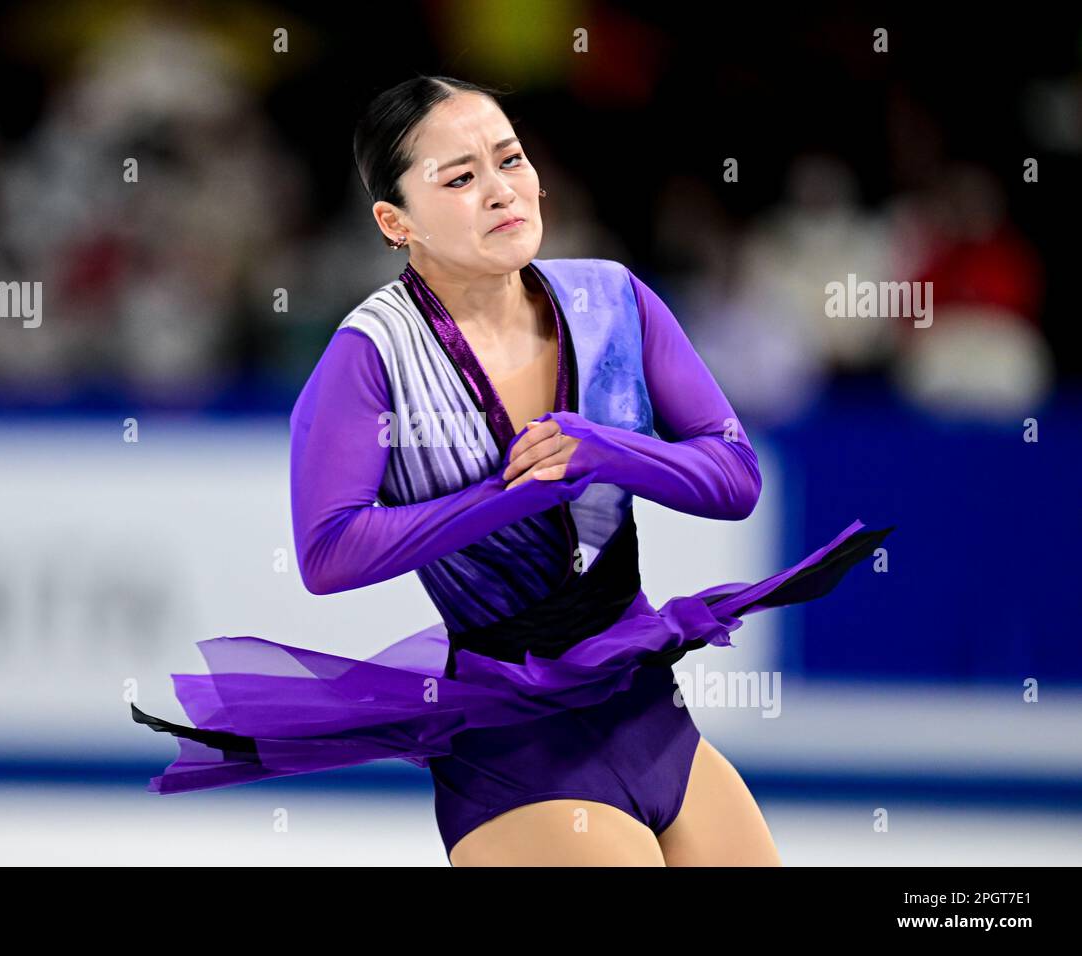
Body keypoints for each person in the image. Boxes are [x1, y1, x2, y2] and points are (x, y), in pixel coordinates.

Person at [131, 75, 892, 866]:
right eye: (459, 178)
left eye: (510, 159)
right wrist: (507, 495)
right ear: (395, 222)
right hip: (513, 746)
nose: (501, 191)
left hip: (646, 710)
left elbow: (735, 476)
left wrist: (608, 449)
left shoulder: (612, 301)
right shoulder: (372, 355)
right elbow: (328, 551)